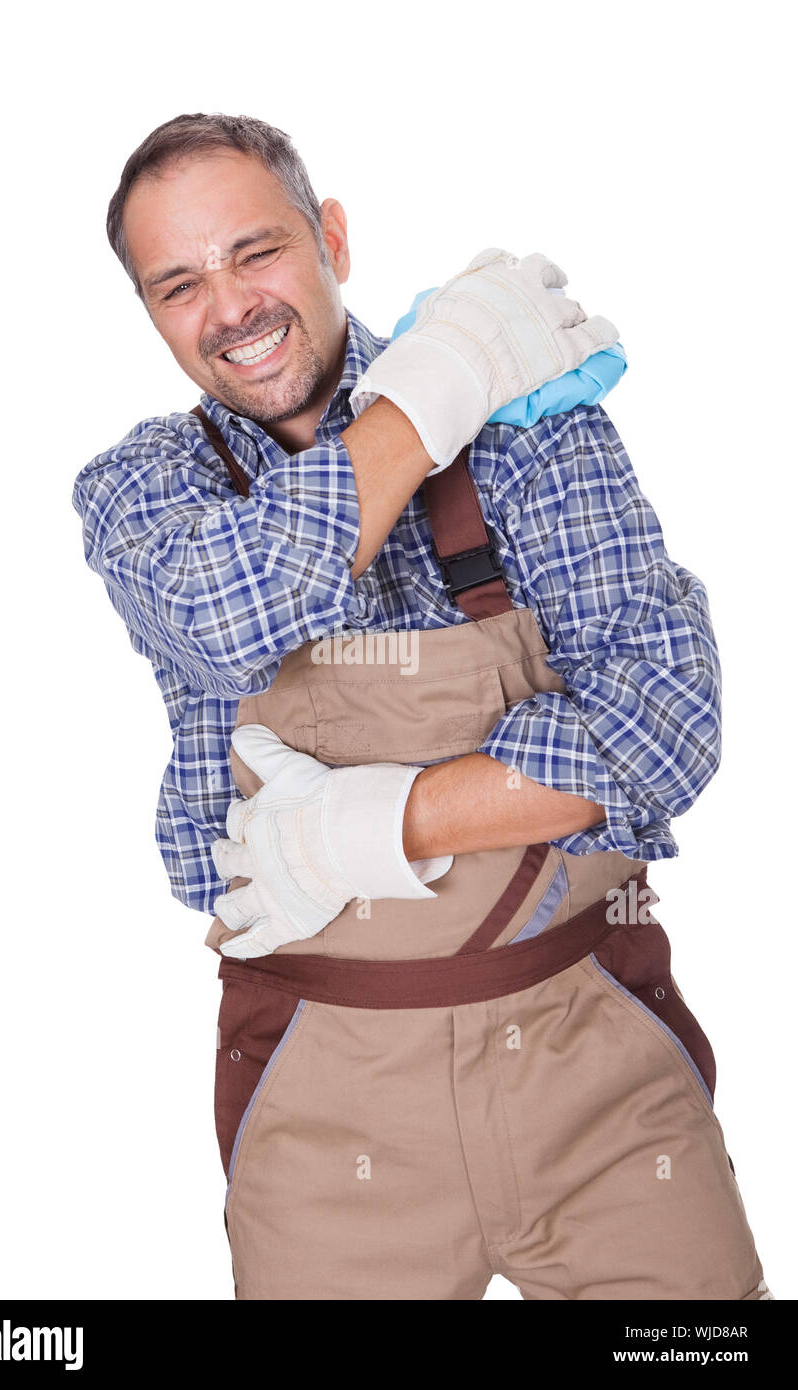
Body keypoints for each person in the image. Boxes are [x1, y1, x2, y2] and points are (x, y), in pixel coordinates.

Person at [74, 111, 770, 1301]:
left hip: (588, 1062)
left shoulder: (531, 427)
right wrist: (432, 391)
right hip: (323, 1093)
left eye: (257, 252)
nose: (229, 306)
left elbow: (665, 722)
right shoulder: (145, 488)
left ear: (331, 236)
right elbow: (225, 615)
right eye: (177, 283)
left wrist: (376, 827)